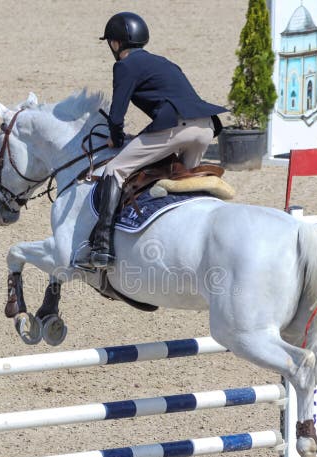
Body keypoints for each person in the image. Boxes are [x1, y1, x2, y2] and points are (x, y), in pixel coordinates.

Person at [73, 11, 227, 271]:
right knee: (182, 181)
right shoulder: (164, 62)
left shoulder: (124, 65)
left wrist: (117, 138)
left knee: (115, 169)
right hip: (205, 127)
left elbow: (117, 114)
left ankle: (102, 247)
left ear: (115, 43)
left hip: (176, 128)